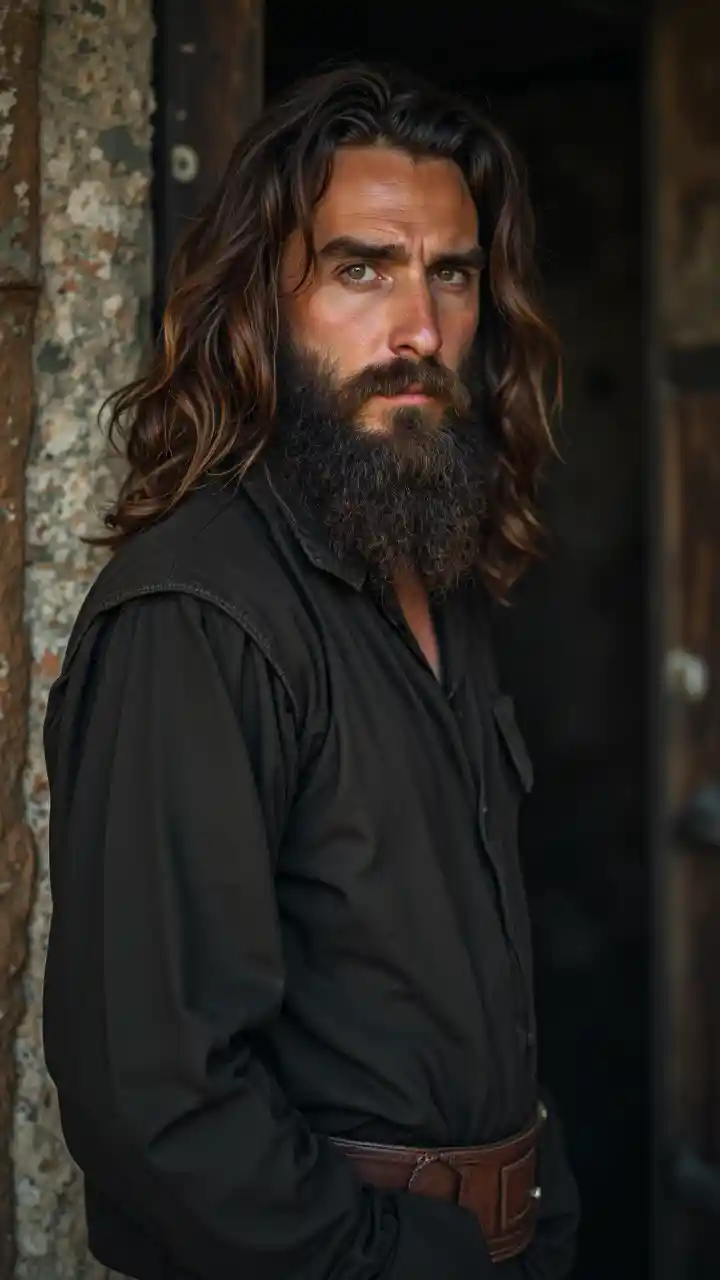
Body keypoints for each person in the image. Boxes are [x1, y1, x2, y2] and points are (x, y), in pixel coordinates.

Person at [42, 63, 579, 1280]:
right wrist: (394, 1261)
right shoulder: (198, 613)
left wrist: (543, 1201)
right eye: (361, 269)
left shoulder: (436, 572)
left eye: (451, 274)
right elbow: (156, 1098)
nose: (421, 331)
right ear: (261, 303)